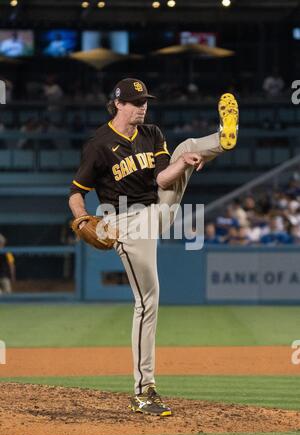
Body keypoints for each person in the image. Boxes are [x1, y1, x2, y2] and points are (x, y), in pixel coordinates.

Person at [69, 78, 239, 416]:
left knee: (187, 146)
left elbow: (163, 179)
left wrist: (185, 163)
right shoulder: (99, 145)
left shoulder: (152, 133)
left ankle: (223, 138)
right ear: (118, 104)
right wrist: (82, 218)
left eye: (145, 100)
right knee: (148, 301)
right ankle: (143, 390)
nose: (142, 106)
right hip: (126, 222)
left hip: (158, 207)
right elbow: (76, 191)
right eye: (135, 102)